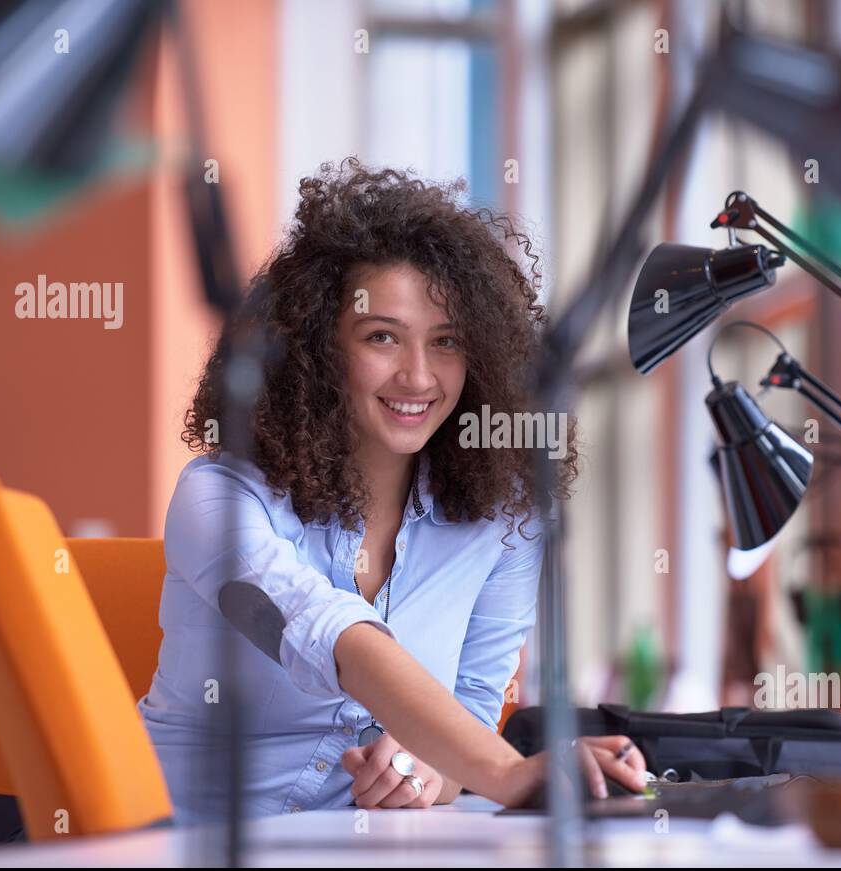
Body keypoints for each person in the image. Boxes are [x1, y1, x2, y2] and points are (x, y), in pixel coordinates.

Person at [136, 158, 647, 823]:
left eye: (447, 342)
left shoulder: (504, 522)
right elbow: (327, 634)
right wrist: (510, 773)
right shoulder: (218, 501)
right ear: (315, 347)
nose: (418, 375)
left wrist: (426, 774)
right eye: (382, 337)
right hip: (182, 844)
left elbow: (467, 717)